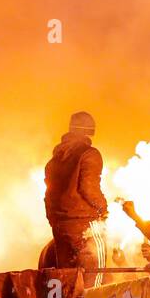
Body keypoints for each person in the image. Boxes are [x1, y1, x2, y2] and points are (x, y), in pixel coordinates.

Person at [43, 111, 107, 283]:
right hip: (86, 225)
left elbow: (48, 195)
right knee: (95, 280)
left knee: (68, 282)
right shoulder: (90, 154)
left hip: (60, 227)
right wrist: (103, 209)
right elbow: (89, 188)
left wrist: (54, 220)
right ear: (89, 132)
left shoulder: (54, 160)